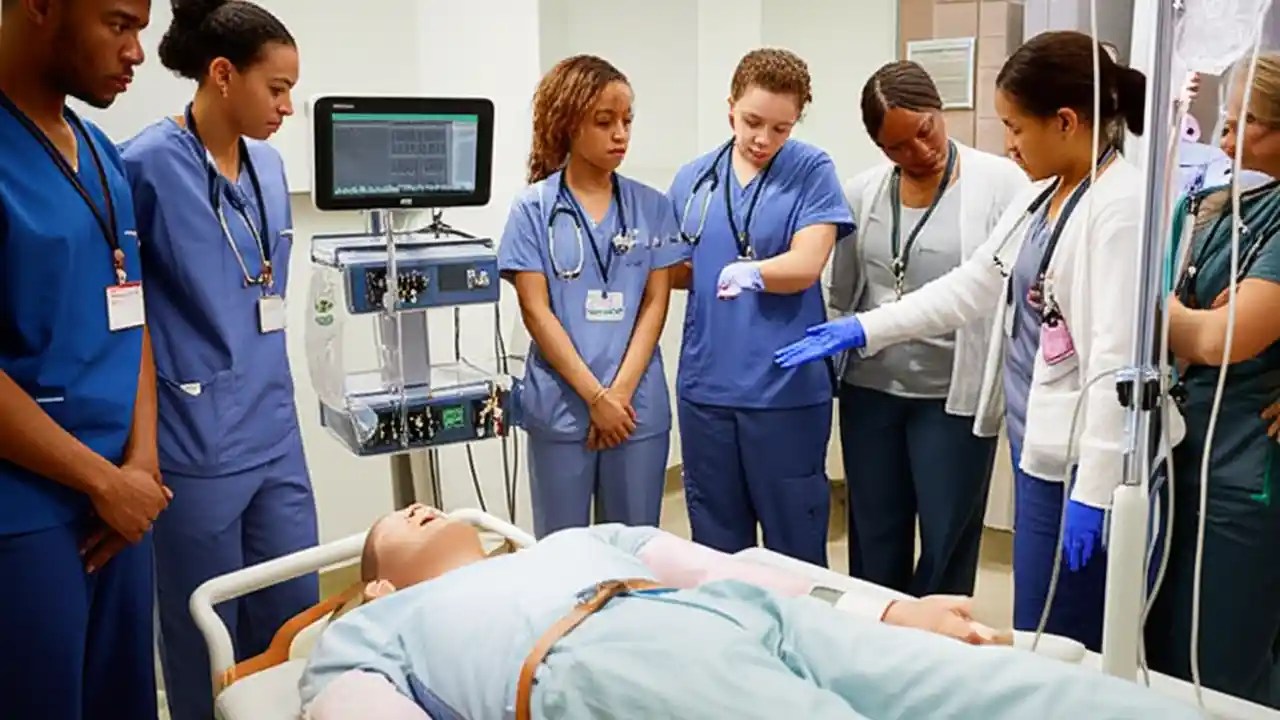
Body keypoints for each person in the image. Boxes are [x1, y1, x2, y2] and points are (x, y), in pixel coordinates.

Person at [776, 31, 1156, 652]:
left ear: (1064, 121)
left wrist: (1094, 491)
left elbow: (1116, 361)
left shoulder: (1118, 206)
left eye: (1015, 127)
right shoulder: (1043, 195)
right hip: (1043, 444)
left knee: (1070, 638)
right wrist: (862, 327)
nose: (1007, 143)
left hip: (1089, 463)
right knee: (1039, 623)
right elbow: (973, 285)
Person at [296, 506, 1205, 720]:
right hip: (602, 657)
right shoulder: (368, 630)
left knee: (993, 684)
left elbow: (733, 569)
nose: (424, 510)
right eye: (399, 522)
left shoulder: (574, 536)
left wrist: (887, 616)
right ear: (378, 581)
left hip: (732, 615)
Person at [117, 2, 317, 718]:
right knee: (205, 635)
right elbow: (123, 316)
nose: (288, 107)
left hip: (274, 431)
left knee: (295, 614)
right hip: (194, 442)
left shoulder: (267, 164)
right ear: (223, 74)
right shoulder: (142, 167)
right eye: (277, 88)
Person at [0, 0, 169, 718]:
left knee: (123, 699)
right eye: (119, 24)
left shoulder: (99, 152)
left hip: (122, 500)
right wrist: (100, 479)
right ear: (40, 7)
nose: (136, 52)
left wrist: (142, 464)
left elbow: (129, 314)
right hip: (26, 512)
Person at [829, 60, 1027, 597]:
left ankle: (940, 647)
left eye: (925, 131)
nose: (920, 151)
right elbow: (841, 295)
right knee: (875, 533)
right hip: (871, 393)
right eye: (897, 147)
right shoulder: (862, 194)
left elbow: (1003, 289)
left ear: (939, 111)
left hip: (952, 399)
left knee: (948, 537)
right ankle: (879, 640)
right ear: (878, 147)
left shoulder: (1001, 183)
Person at [667, 48, 855, 566]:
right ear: (730, 107)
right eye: (752, 122)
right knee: (717, 549)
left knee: (794, 548)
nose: (764, 140)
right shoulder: (694, 180)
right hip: (708, 390)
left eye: (781, 128)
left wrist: (751, 272)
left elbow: (807, 263)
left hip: (784, 392)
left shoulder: (811, 170)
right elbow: (675, 269)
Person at [498, 55, 686, 538]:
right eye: (604, 122)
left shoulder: (652, 206)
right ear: (567, 123)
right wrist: (594, 397)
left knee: (634, 549)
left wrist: (617, 396)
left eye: (626, 121)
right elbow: (536, 311)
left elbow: (654, 304)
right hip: (563, 407)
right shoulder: (533, 209)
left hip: (634, 408)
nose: (620, 133)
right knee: (564, 555)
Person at [1147, 53, 1280, 707]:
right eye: (1225, 125)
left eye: (1247, 125)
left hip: (1246, 467)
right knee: (1164, 645)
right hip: (1181, 451)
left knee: (1226, 660)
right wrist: (1195, 324)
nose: (1227, 142)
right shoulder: (1211, 209)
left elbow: (1215, 339)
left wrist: (1162, 308)